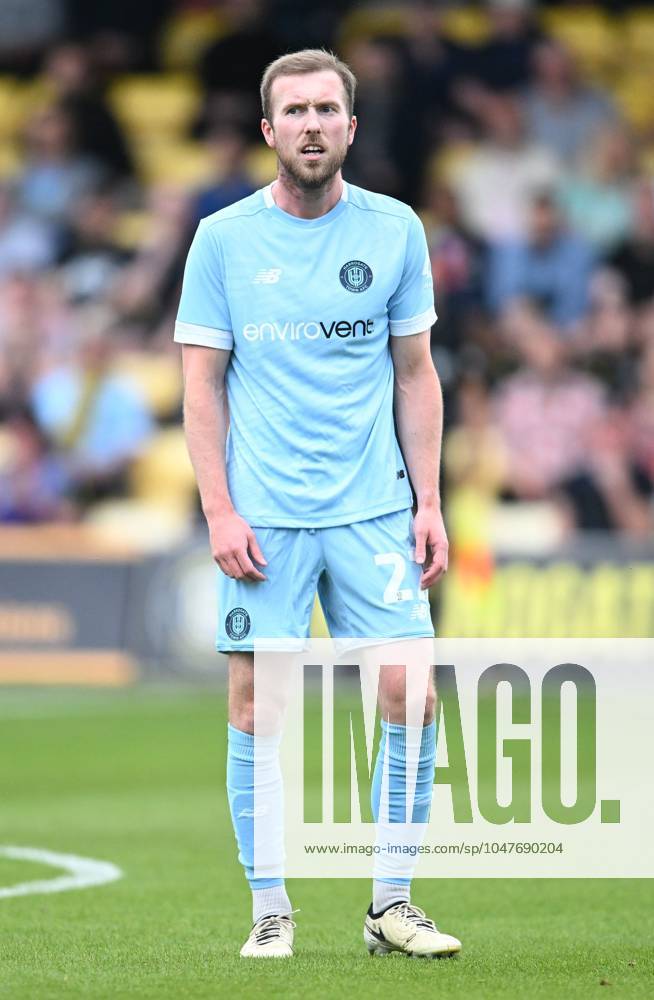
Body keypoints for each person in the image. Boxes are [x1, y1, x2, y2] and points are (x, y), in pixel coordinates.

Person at [175, 49, 461, 961]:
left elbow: (417, 377)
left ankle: (392, 904)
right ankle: (270, 907)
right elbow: (201, 386)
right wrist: (219, 509)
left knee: (410, 690)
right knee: (259, 703)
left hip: (374, 509)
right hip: (265, 514)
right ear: (267, 130)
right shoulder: (221, 239)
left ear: (350, 126)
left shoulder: (396, 230)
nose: (310, 123)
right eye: (292, 110)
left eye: (325, 109)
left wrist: (431, 500)